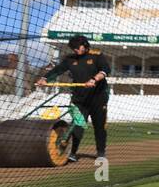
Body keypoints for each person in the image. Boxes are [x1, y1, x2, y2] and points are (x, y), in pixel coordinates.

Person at [36, 35, 110, 163]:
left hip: (98, 98)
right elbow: (58, 70)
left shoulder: (97, 55)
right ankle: (73, 153)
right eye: (73, 48)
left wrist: (94, 79)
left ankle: (101, 152)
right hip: (80, 98)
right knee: (78, 125)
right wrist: (45, 79)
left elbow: (105, 70)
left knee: (99, 126)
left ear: (85, 45)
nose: (75, 50)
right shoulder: (70, 59)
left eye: (78, 47)